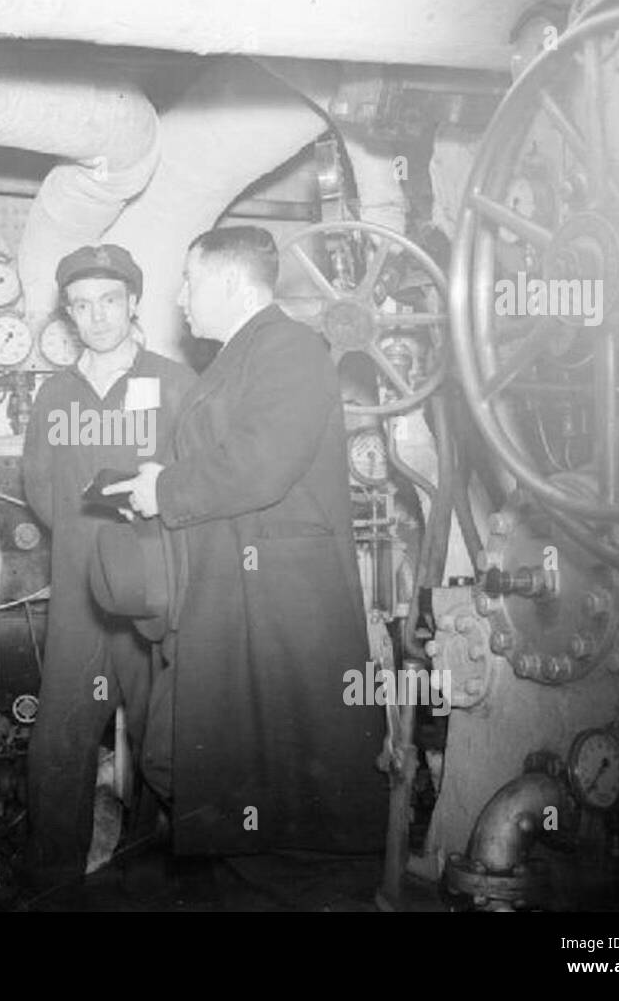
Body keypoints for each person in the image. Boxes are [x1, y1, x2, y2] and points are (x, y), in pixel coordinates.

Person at [106, 225, 387, 857]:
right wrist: (160, 482)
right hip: (235, 591)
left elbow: (262, 463)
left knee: (281, 778)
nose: (180, 297)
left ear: (232, 283)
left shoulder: (290, 349)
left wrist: (168, 490)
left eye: (190, 280)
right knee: (210, 760)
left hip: (279, 603)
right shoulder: (245, 353)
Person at [20, 244, 196, 894]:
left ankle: (171, 883)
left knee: (168, 741)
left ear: (132, 303)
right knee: (58, 744)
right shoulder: (55, 394)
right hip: (79, 598)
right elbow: (39, 485)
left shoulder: (174, 384)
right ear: (68, 312)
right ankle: (51, 886)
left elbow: (196, 480)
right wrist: (82, 536)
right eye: (83, 304)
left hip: (153, 596)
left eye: (110, 301)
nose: (97, 316)